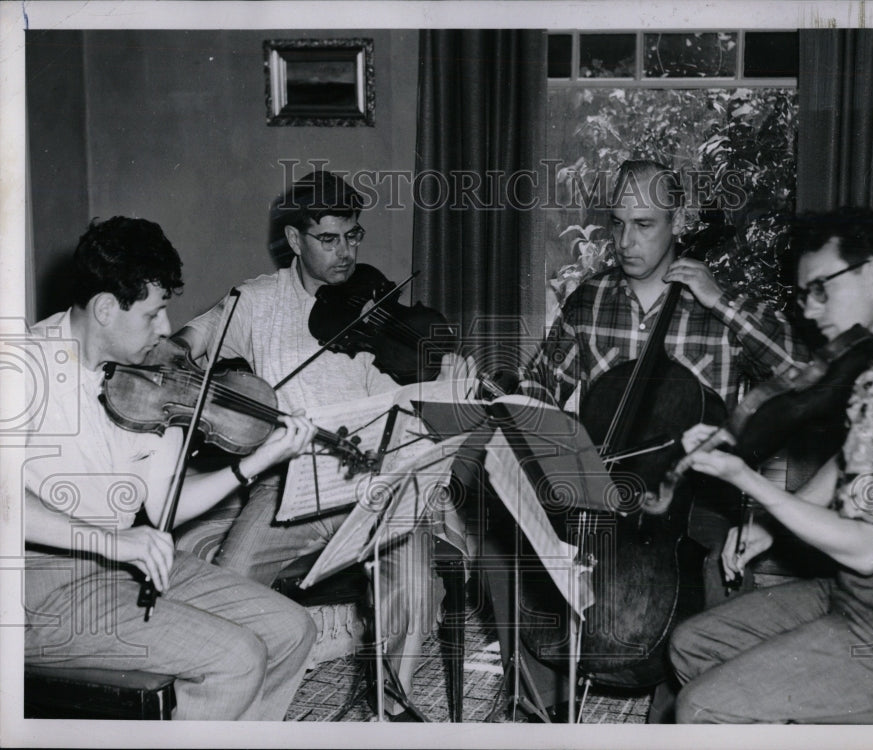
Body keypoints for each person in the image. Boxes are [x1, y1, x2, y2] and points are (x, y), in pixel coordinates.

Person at [475, 159, 807, 721]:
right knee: (502, 540)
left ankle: (670, 720)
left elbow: (803, 374)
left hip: (692, 500)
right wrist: (510, 398)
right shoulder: (590, 299)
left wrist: (721, 302)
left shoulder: (717, 309)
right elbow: (540, 389)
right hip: (602, 485)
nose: (626, 241)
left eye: (645, 224)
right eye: (618, 223)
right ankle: (536, 709)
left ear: (677, 221)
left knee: (704, 582)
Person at [667, 207, 873, 723]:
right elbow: (859, 455)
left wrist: (751, 484)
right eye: (804, 292)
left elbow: (868, 549)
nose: (809, 309)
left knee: (700, 708)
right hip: (867, 595)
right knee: (693, 644)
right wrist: (767, 525)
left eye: (821, 288)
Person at [23, 216, 318, 720]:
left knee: (292, 629)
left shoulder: (152, 381)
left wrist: (252, 465)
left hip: (124, 564)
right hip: (35, 585)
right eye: (155, 314)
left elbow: (167, 504)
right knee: (235, 657)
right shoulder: (22, 366)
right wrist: (116, 542)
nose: (166, 330)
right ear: (104, 309)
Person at [175, 169, 443, 716]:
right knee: (228, 586)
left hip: (370, 482)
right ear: (295, 240)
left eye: (352, 236)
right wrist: (173, 346)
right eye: (328, 239)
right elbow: (196, 337)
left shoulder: (374, 307)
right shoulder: (256, 301)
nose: (344, 253)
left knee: (414, 582)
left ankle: (395, 707)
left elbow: (404, 400)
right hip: (286, 483)